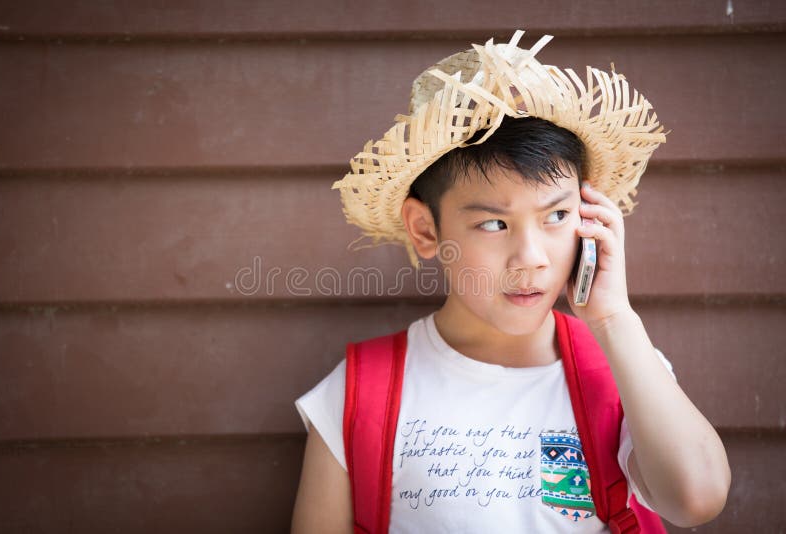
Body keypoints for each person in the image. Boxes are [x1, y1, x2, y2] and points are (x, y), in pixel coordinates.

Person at [291, 30, 731, 533]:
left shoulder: (627, 372)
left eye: (556, 215)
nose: (532, 258)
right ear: (427, 229)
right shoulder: (357, 393)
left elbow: (696, 499)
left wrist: (613, 319)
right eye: (494, 224)